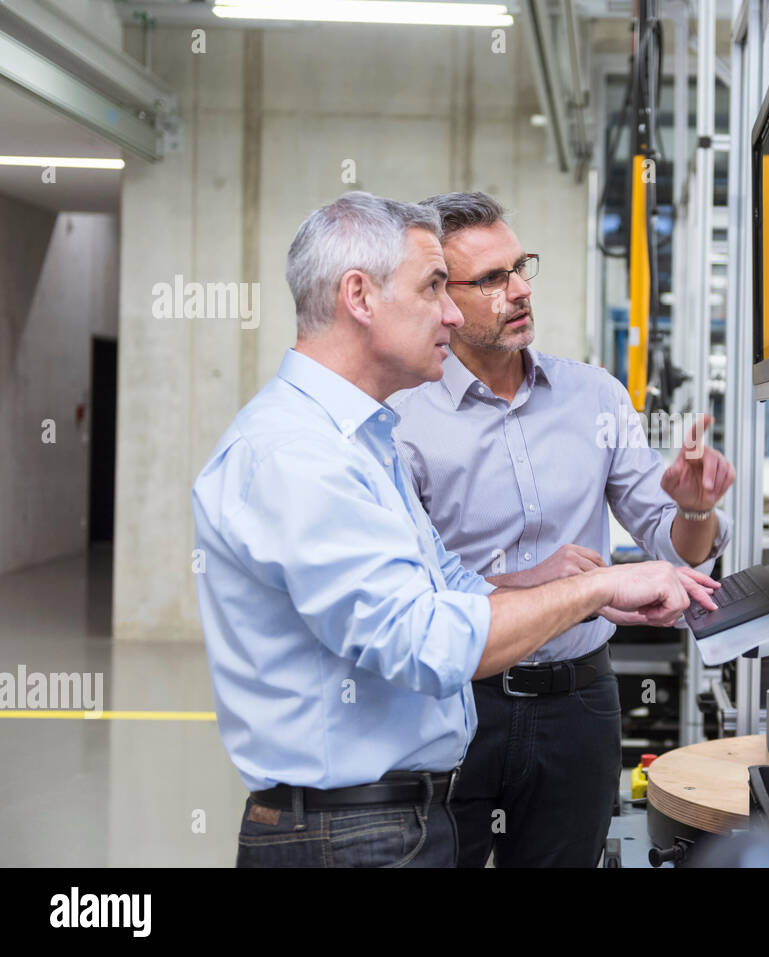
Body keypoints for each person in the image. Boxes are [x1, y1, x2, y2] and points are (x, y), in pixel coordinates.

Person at [191, 191, 718, 868]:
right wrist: (596, 587)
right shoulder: (300, 456)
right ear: (360, 296)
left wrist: (566, 585)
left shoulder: (362, 439)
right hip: (349, 833)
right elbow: (429, 641)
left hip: (399, 817)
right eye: (435, 286)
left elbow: (450, 587)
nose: (447, 310)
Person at [390, 191, 736, 867]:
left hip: (579, 704)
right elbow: (405, 588)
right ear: (444, 299)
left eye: (521, 268)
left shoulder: (595, 396)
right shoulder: (404, 418)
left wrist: (695, 509)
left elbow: (672, 544)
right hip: (460, 705)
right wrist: (518, 584)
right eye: (492, 279)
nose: (519, 290)